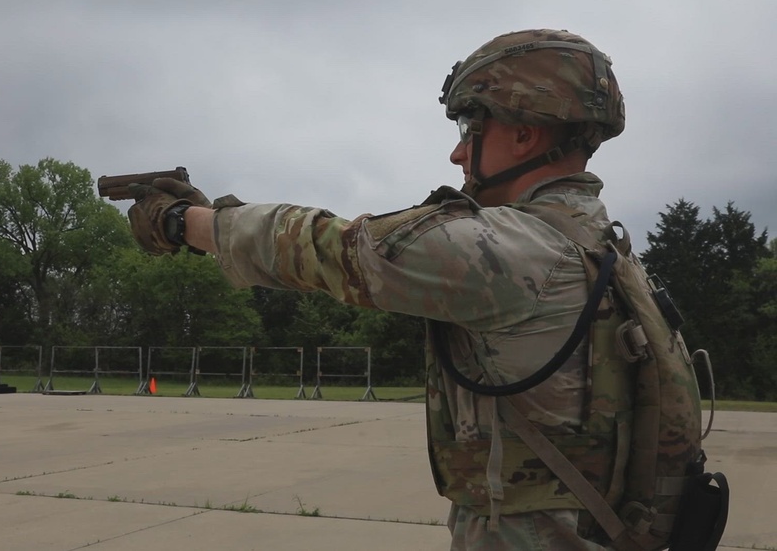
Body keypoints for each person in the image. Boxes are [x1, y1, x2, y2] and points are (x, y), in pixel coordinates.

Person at [126, 28, 627, 550]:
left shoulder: (512, 251)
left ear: (525, 133)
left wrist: (184, 223)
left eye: (469, 125)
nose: (458, 153)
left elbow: (331, 250)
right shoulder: (601, 245)